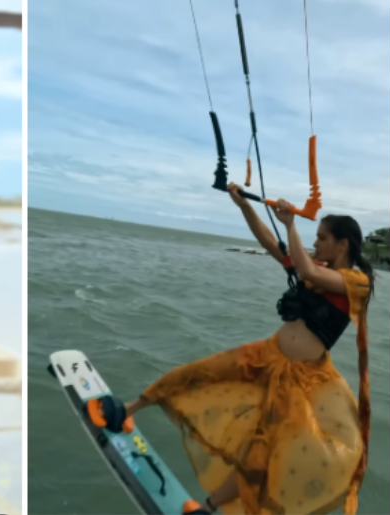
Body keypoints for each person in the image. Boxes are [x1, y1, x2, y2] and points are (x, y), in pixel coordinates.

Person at [90, 182, 374, 515]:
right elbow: (272, 244)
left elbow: (305, 267)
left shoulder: (356, 283)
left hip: (298, 382)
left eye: (322, 237)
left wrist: (291, 224)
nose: (315, 242)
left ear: (342, 244)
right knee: (197, 374)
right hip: (266, 356)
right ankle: (128, 409)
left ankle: (207, 509)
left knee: (258, 455)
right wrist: (244, 206)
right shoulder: (319, 270)